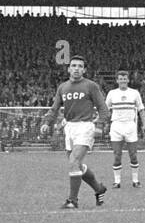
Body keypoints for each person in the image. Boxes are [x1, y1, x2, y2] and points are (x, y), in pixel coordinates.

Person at [41, 56, 110, 209]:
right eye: (74, 65)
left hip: (85, 127)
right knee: (76, 164)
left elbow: (103, 108)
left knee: (73, 161)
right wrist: (47, 122)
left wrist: (98, 125)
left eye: (80, 66)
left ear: (84, 70)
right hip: (70, 127)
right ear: (69, 69)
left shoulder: (91, 86)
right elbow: (54, 109)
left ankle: (73, 200)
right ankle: (99, 189)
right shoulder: (62, 87)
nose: (77, 68)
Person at [106, 69, 145, 189]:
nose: (123, 81)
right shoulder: (112, 93)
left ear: (128, 80)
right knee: (117, 154)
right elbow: (105, 109)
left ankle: (135, 180)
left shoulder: (134, 93)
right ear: (117, 80)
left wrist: (144, 124)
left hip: (130, 126)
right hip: (116, 126)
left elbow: (141, 109)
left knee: (133, 155)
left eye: (125, 79)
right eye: (121, 79)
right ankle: (117, 181)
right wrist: (98, 120)